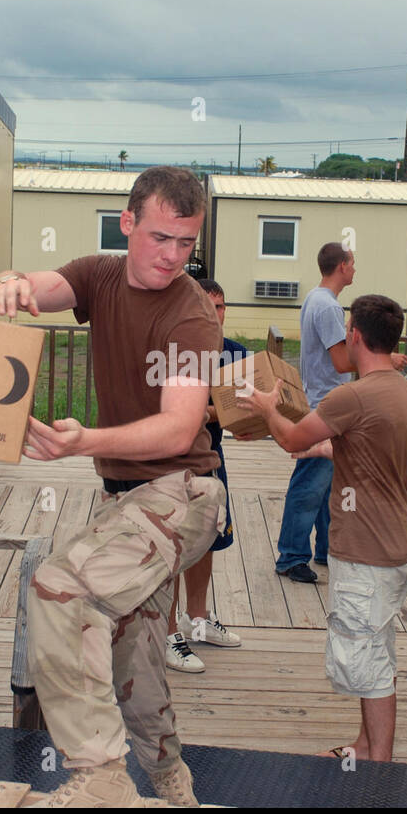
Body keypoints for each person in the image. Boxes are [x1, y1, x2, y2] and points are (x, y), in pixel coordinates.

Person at [0, 166, 226, 807]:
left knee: (59, 589)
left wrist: (83, 441)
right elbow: (46, 284)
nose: (172, 257)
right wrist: (13, 283)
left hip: (183, 495)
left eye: (186, 243)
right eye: (159, 238)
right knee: (133, 661)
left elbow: (179, 429)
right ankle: (176, 791)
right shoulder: (100, 274)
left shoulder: (193, 314)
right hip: (126, 498)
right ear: (127, 223)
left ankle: (98, 777)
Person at [238, 294, 407, 762]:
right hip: (395, 546)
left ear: (356, 335)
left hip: (365, 551)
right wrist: (322, 451)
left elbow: (289, 437)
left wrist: (266, 407)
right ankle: (364, 745)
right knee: (377, 651)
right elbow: (367, 453)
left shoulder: (353, 396)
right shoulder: (404, 394)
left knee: (370, 662)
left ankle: (378, 761)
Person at [274, 244, 407, 583]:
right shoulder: (330, 308)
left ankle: (322, 550)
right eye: (353, 264)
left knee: (326, 482)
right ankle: (291, 556)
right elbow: (339, 360)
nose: (355, 270)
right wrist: (386, 360)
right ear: (342, 267)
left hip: (320, 397)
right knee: (310, 483)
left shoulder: (313, 298)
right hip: (328, 403)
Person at [165, 278, 245, 674]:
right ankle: (167, 634)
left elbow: (246, 419)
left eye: (221, 306)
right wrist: (223, 408)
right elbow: (186, 413)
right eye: (207, 306)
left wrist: (252, 414)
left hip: (213, 457)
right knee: (173, 548)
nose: (216, 314)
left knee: (207, 540)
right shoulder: (174, 353)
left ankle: (197, 621)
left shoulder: (235, 355)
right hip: (170, 462)